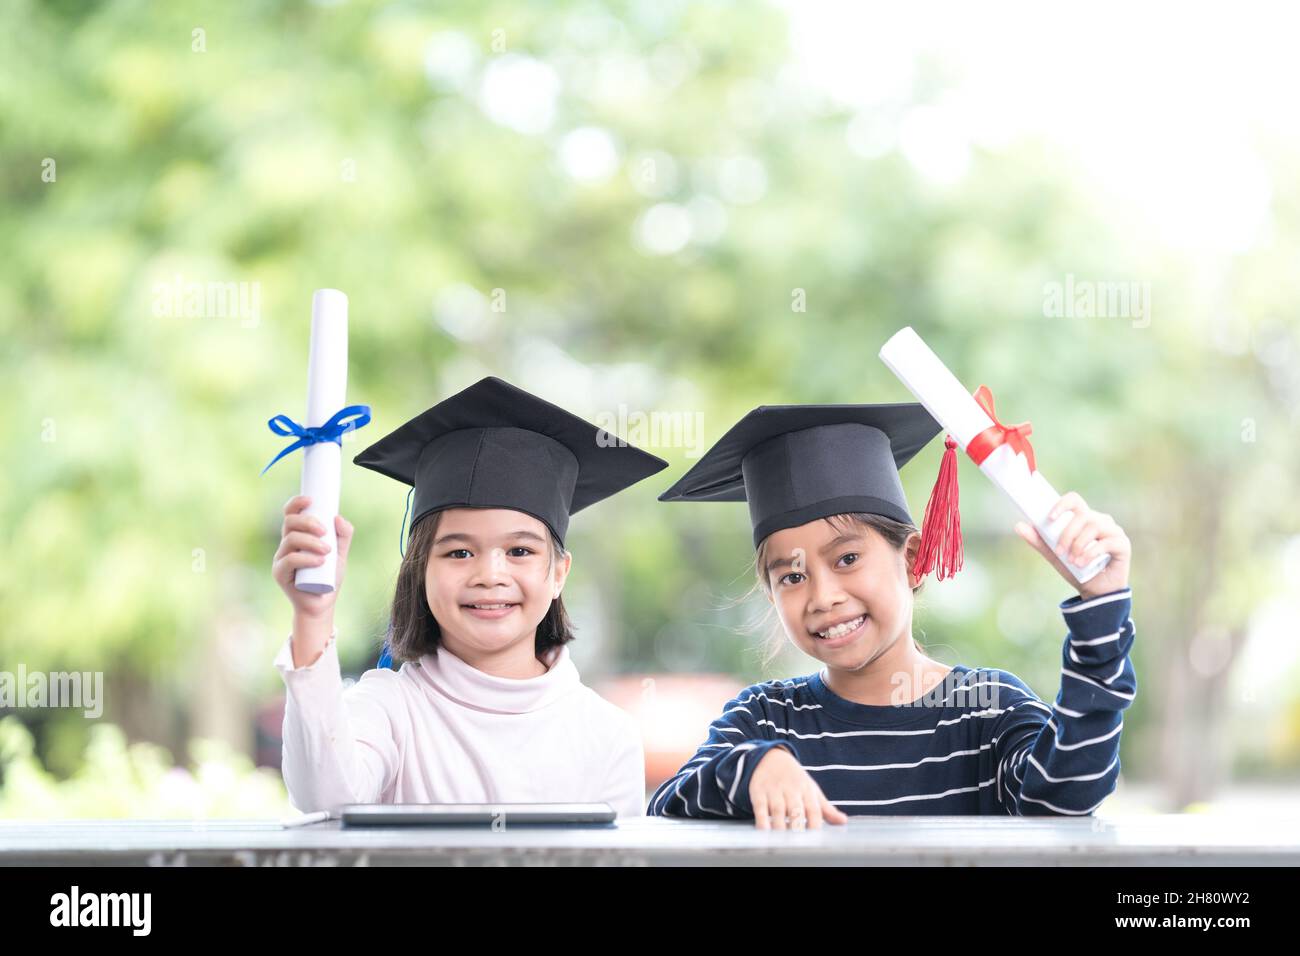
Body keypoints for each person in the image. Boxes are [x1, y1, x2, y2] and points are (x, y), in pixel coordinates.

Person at [647, 401, 1135, 828]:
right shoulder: (766, 721)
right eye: (791, 577)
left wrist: (1100, 612)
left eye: (847, 559)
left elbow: (1063, 798)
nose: (823, 596)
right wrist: (755, 768)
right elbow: (668, 806)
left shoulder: (988, 710)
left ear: (911, 558)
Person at [272, 376, 667, 818]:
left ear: (558, 573)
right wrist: (313, 613)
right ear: (420, 569)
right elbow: (325, 800)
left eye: (520, 551)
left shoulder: (605, 735)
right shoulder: (389, 708)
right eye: (459, 552)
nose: (489, 574)